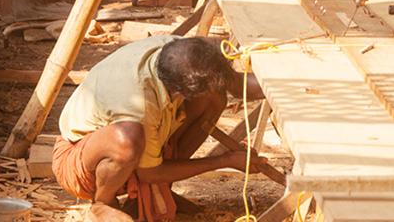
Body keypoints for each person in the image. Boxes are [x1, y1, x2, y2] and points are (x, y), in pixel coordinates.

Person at [52, 35, 267, 221]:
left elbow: (237, 85)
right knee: (127, 140)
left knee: (214, 96)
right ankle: (103, 205)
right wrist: (224, 161)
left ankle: (164, 187)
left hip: (135, 149)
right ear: (182, 91)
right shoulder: (139, 105)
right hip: (81, 163)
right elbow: (149, 174)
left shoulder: (178, 51)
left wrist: (287, 85)